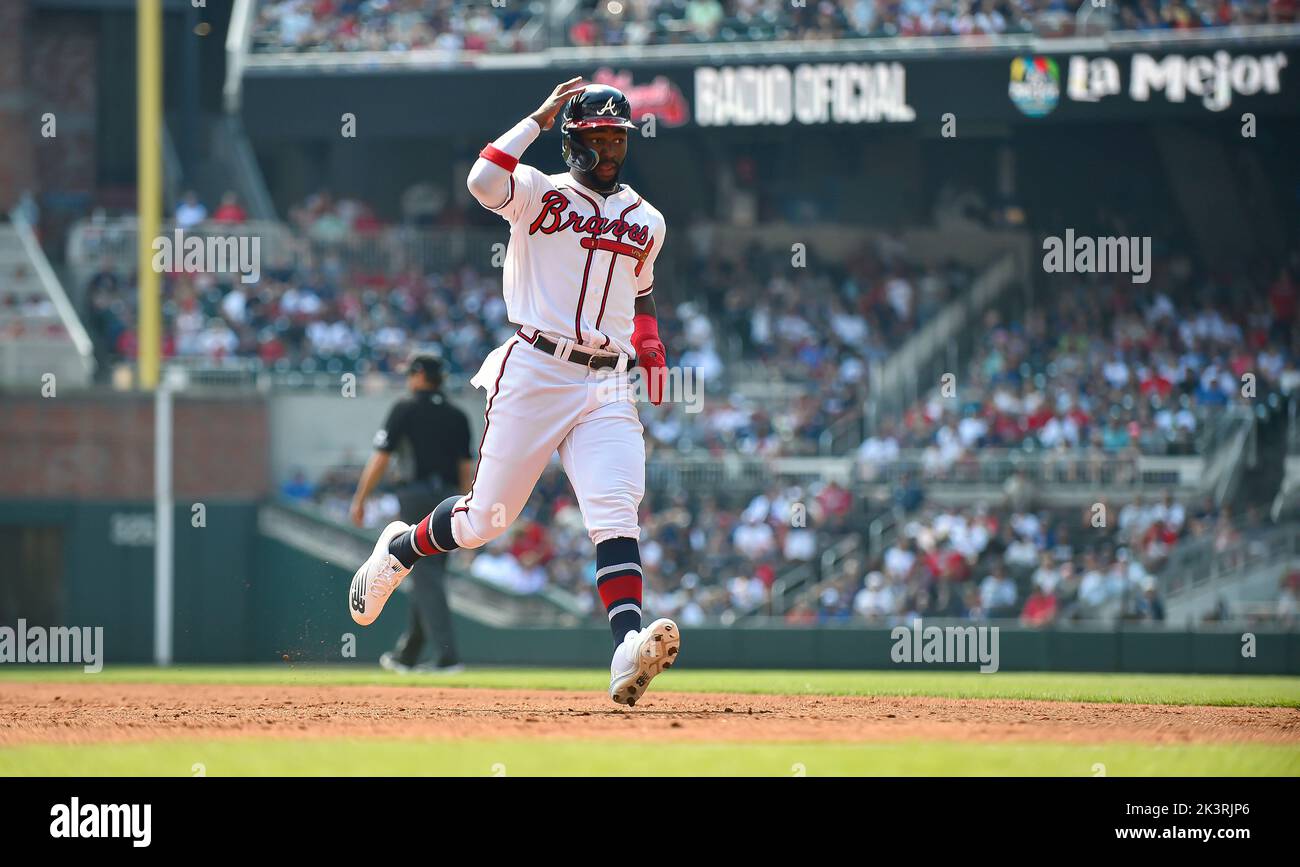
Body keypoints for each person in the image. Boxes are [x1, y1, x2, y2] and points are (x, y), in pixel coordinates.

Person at [347, 79, 679, 706]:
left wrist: (652, 342)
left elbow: (641, 289)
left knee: (614, 509)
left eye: (617, 138)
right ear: (571, 139)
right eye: (596, 137)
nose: (609, 149)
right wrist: (536, 117)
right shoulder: (537, 192)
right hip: (537, 367)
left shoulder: (648, 220)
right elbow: (480, 180)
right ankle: (399, 548)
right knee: (485, 520)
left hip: (607, 379)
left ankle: (627, 645)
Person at [349, 354, 473, 674]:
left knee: (424, 573)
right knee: (426, 574)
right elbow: (465, 467)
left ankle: (448, 657)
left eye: (410, 374)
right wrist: (469, 506)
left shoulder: (404, 408)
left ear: (419, 375)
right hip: (449, 498)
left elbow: (381, 458)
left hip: (416, 496)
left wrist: (361, 498)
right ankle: (410, 653)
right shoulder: (457, 415)